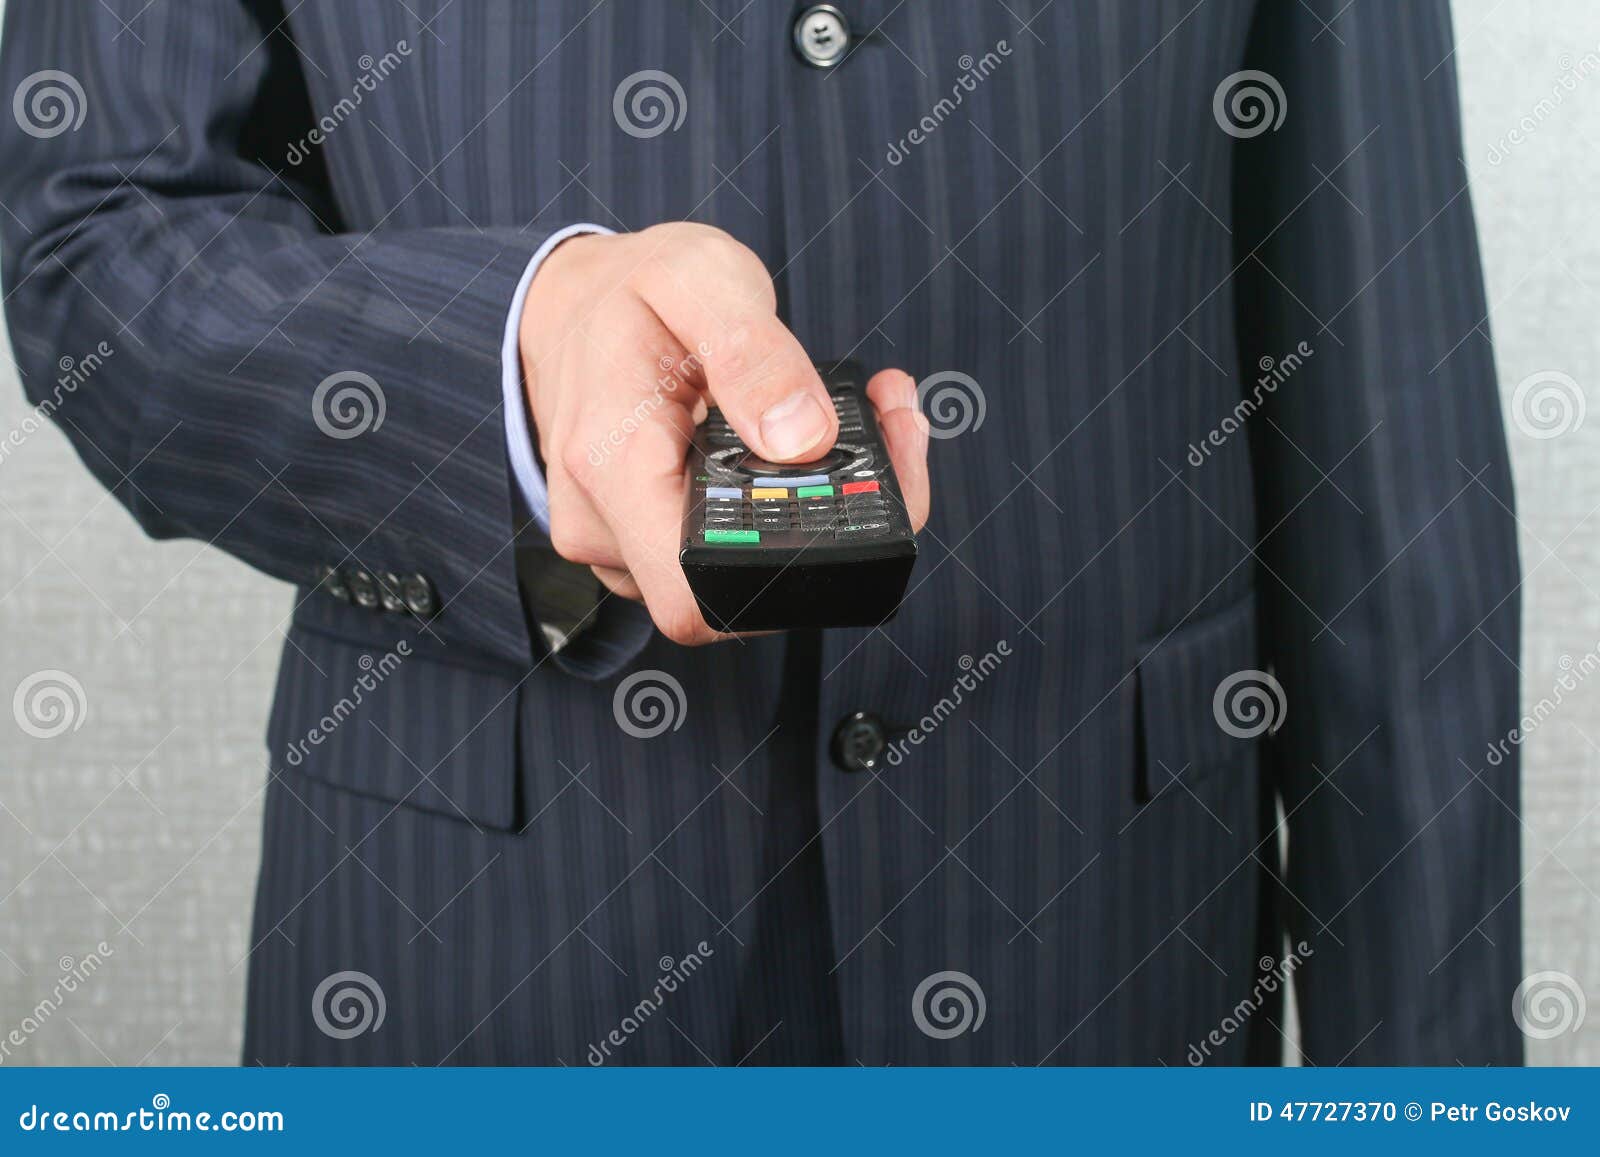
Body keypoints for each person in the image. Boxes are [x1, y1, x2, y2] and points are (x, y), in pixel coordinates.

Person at [0, 0, 1521, 1065]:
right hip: (477, 976)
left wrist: (1433, 1086)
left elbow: (1384, 408)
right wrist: (512, 361)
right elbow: (100, 236)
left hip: (1107, 963)